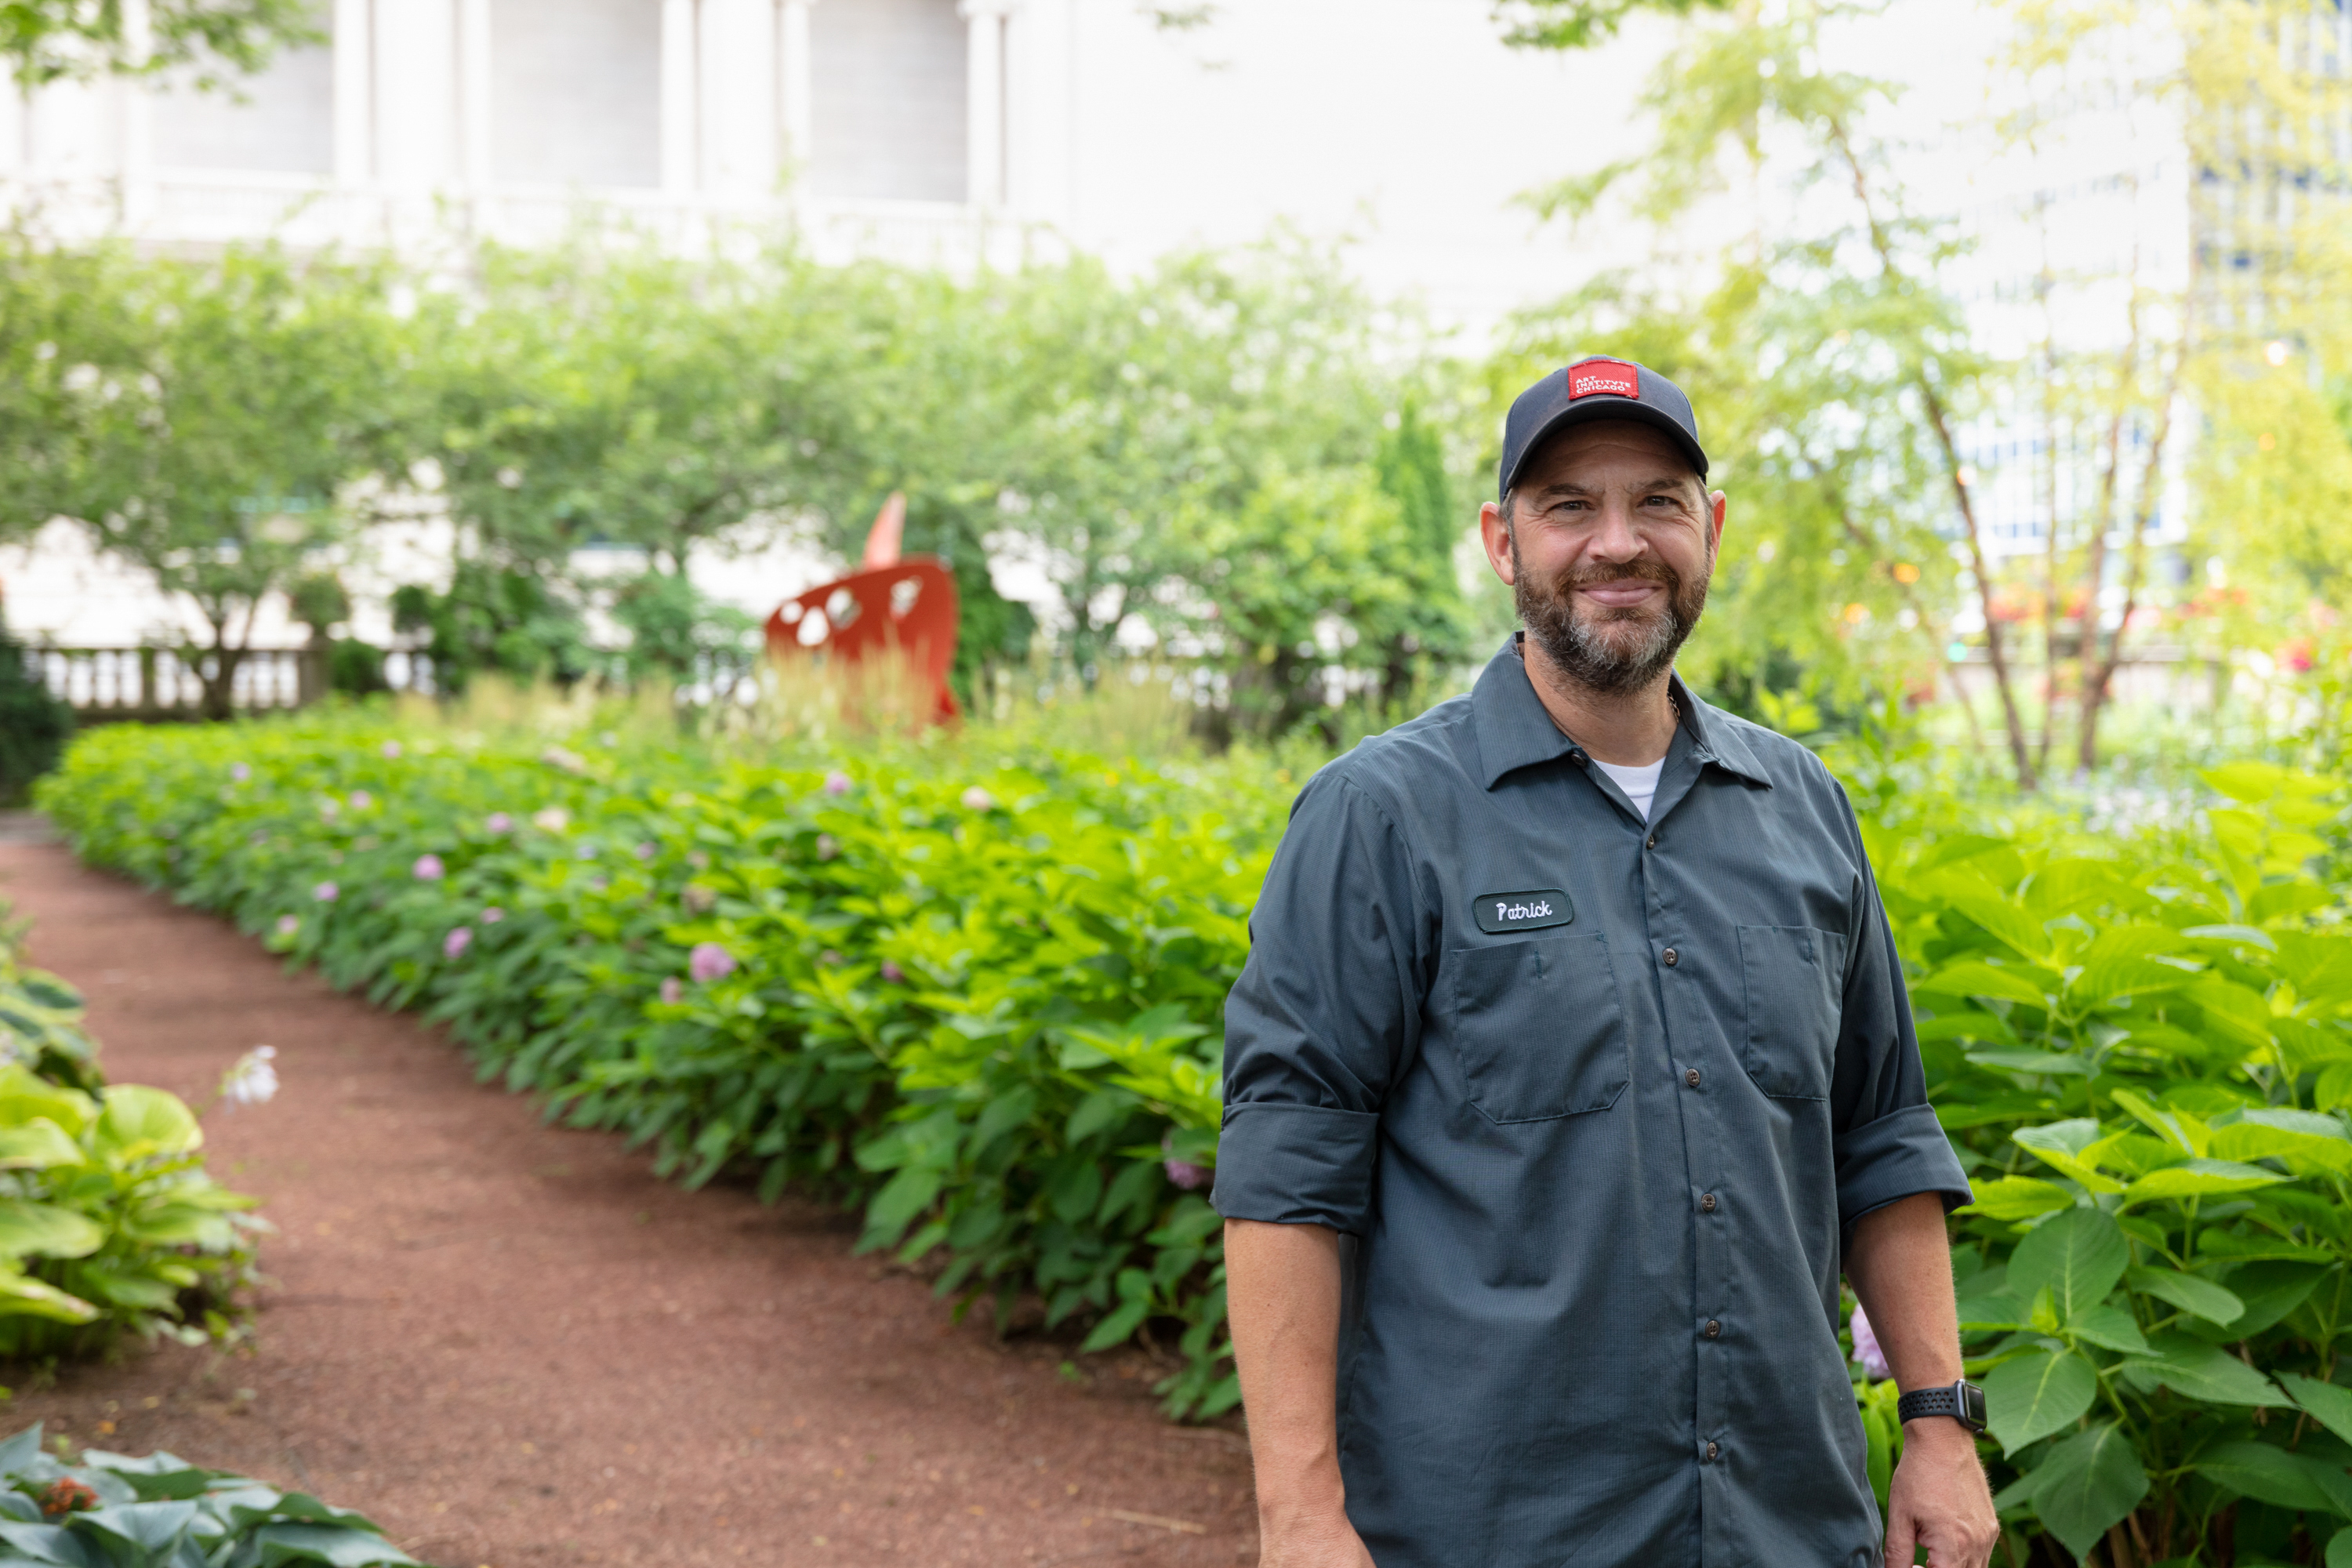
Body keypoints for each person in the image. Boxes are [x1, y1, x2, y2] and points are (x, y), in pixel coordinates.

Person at [1213, 358, 2000, 1568]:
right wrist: (1300, 1516)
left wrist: (1940, 1427)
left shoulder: (1803, 808)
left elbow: (1881, 1135)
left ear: (1711, 528)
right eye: (1570, 505)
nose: (1618, 542)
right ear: (1503, 542)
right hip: (1490, 1528)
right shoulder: (1381, 815)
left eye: (1658, 502)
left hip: (1787, 1523)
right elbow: (1289, 1169)